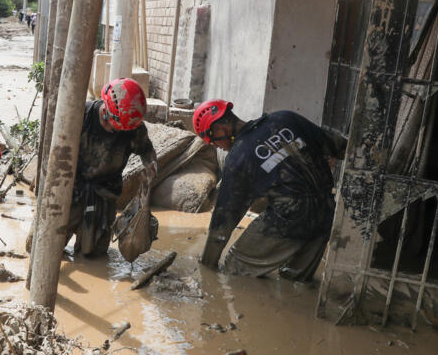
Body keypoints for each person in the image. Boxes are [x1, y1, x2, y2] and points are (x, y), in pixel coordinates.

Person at [194, 100, 347, 282]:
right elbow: (339, 146)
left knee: (233, 269)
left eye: (211, 140)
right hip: (326, 212)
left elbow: (224, 219)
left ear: (220, 129)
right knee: (294, 281)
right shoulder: (286, 118)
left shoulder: (238, 157)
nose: (215, 146)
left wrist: (207, 266)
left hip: (287, 218)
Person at [28, 78, 158, 257]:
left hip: (104, 191)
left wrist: (151, 165)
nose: (119, 132)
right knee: (42, 246)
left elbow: (147, 150)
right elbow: (53, 152)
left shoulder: (133, 127)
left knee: (93, 255)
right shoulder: (81, 116)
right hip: (70, 188)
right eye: (117, 126)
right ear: (106, 112)